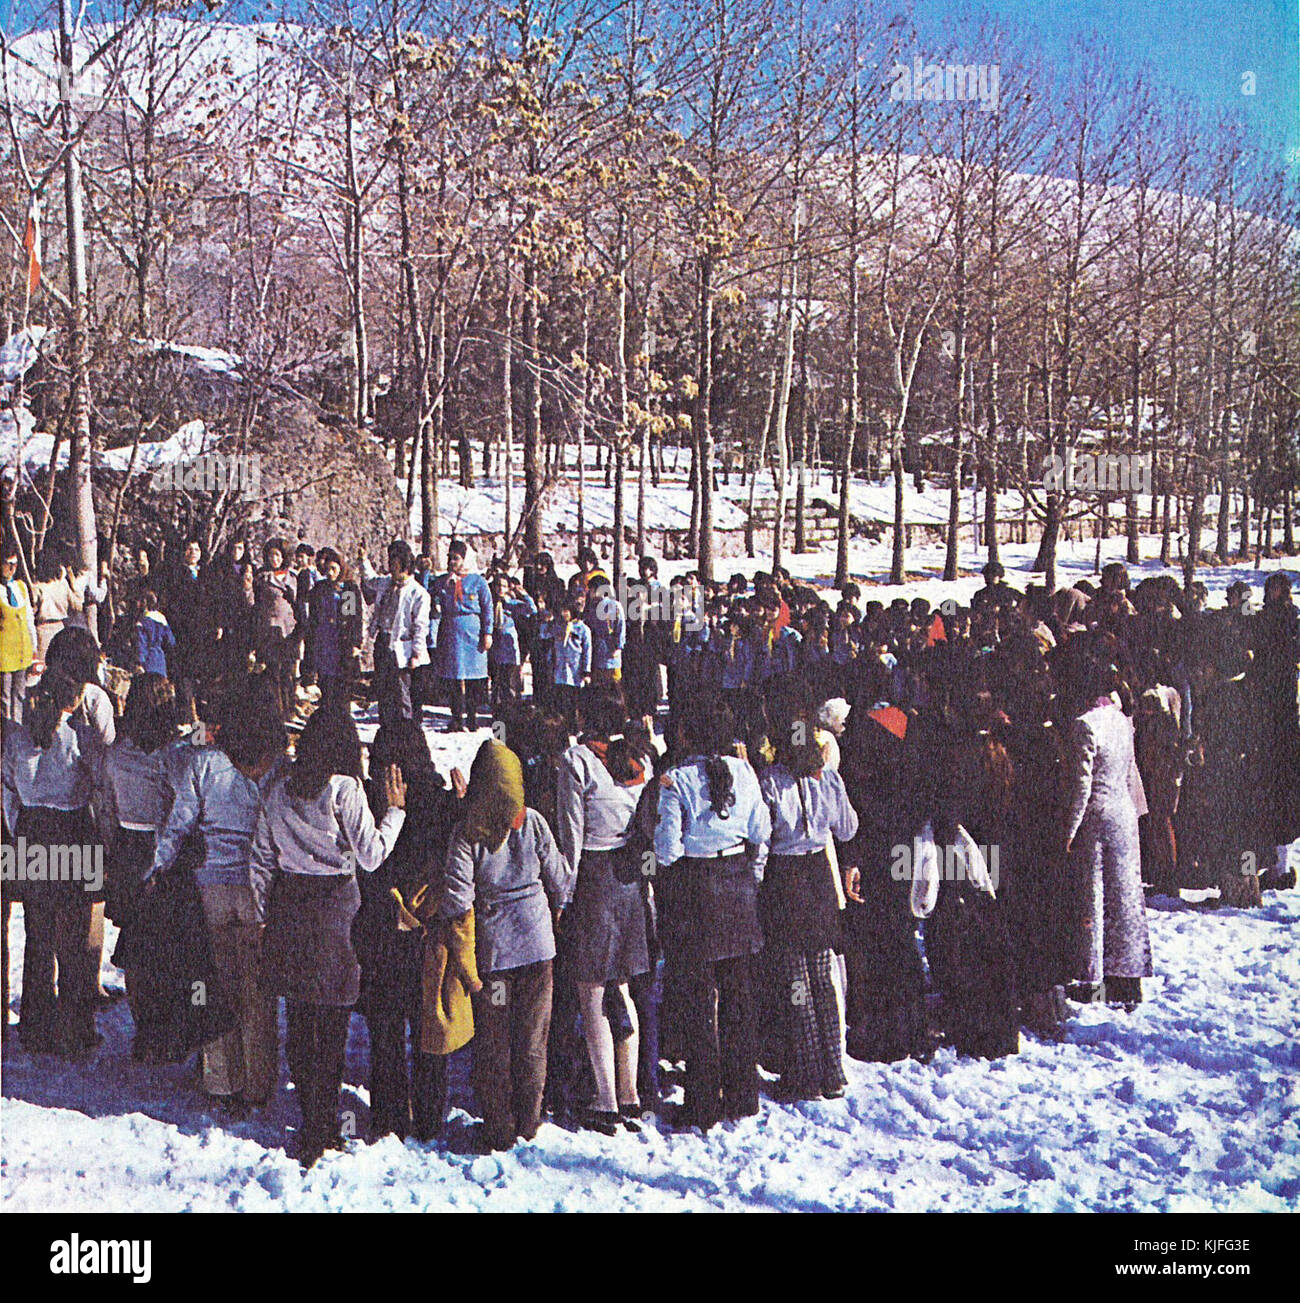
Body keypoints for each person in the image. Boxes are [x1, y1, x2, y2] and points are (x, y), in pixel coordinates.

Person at [252, 704, 407, 1167]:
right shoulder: (344, 790)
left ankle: (310, 1115)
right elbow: (372, 855)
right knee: (333, 1020)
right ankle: (324, 1123)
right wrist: (394, 812)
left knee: (299, 1017)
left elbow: (261, 858)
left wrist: (263, 913)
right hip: (338, 906)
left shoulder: (278, 790)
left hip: (290, 905)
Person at [147, 675, 287, 1114]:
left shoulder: (201, 763)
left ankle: (221, 1079)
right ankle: (258, 1084)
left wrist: (156, 866)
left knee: (216, 987)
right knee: (257, 993)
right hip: (255, 887)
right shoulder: (274, 764)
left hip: (210, 887)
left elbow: (179, 823)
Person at [436, 739, 574, 1151]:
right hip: (538, 949)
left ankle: (498, 1126)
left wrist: (463, 965)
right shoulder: (533, 822)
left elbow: (457, 902)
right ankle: (529, 1122)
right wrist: (555, 912)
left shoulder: (466, 833)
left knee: (495, 1041)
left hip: (494, 959)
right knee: (533, 1039)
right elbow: (561, 878)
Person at [654, 700, 771, 1130]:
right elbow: (761, 830)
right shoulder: (745, 772)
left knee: (698, 1000)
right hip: (738, 885)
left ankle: (703, 1099)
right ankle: (743, 1092)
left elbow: (667, 852)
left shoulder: (677, 781)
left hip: (696, 893)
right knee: (739, 998)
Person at [353, 720, 458, 1142]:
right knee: (429, 1026)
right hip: (429, 931)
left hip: (381, 927)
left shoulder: (369, 798)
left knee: (385, 1030)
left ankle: (389, 1117)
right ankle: (430, 1117)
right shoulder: (439, 800)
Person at [553, 693, 651, 1133]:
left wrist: (563, 893)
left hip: (593, 874)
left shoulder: (577, 761)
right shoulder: (636, 759)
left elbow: (570, 833)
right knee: (624, 984)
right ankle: (630, 1090)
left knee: (591, 990)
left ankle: (605, 1097)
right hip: (630, 874)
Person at [757, 694, 858, 1100]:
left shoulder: (770, 781)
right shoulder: (829, 778)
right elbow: (848, 828)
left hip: (785, 880)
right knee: (822, 977)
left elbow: (763, 841)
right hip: (819, 875)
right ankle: (833, 1068)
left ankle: (804, 1070)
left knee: (794, 979)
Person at [2, 668, 102, 1054]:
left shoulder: (18, 738)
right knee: (74, 942)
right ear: (72, 699)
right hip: (74, 830)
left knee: (37, 935)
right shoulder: (81, 736)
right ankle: (75, 1029)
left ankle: (36, 1023)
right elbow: (99, 787)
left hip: (30, 830)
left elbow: (9, 791)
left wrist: (18, 829)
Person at [100, 673, 189, 1059]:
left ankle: (144, 1031)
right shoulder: (176, 754)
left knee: (134, 941)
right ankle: (167, 1030)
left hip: (126, 846)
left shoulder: (118, 752)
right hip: (164, 849)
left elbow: (105, 803)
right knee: (169, 945)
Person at [1061, 655, 1152, 1008]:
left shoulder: (1084, 725)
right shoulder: (1120, 720)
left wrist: (1069, 829)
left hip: (1096, 818)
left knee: (1093, 898)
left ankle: (1093, 980)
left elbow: (1080, 787)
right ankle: (1127, 979)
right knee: (1126, 899)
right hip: (1124, 814)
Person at [362, 540, 431, 729]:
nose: (391, 568)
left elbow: (420, 626)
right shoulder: (386, 583)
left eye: (395, 564)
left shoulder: (418, 593)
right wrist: (364, 560)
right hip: (383, 642)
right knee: (384, 691)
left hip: (403, 649)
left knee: (402, 694)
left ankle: (407, 732)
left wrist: (417, 654)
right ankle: (387, 730)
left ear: (405, 565)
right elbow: (370, 579)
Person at [435, 540, 493, 732]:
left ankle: (472, 717)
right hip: (451, 632)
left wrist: (487, 632)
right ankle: (456, 718)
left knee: (473, 677)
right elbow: (433, 596)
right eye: (450, 558)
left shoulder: (477, 581)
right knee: (453, 677)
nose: (452, 562)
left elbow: (487, 608)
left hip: (472, 633)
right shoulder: (443, 581)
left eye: (456, 558)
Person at [302, 548, 363, 708]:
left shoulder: (347, 590)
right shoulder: (320, 588)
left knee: (341, 684)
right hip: (324, 641)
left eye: (334, 569)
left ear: (341, 569)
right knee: (325, 682)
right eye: (327, 569)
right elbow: (313, 616)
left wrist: (355, 643)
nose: (330, 573)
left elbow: (352, 619)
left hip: (340, 640)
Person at [254, 539, 299, 721]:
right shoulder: (263, 577)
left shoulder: (292, 577)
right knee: (273, 670)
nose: (274, 559)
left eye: (278, 555)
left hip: (289, 628)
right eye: (271, 555)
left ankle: (290, 707)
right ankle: (277, 709)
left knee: (288, 671)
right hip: (270, 627)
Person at [0, 542, 37, 722]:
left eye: (15, 564)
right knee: (4, 697)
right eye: (8, 563)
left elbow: (29, 617)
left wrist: (34, 645)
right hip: (4, 654)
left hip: (23, 651)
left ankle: (18, 730)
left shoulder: (20, 586)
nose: (12, 568)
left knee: (20, 696)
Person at [133, 591, 176, 678]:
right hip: (160, 663)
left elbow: (141, 643)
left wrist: (140, 663)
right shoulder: (162, 619)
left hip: (147, 663)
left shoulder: (142, 621)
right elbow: (171, 641)